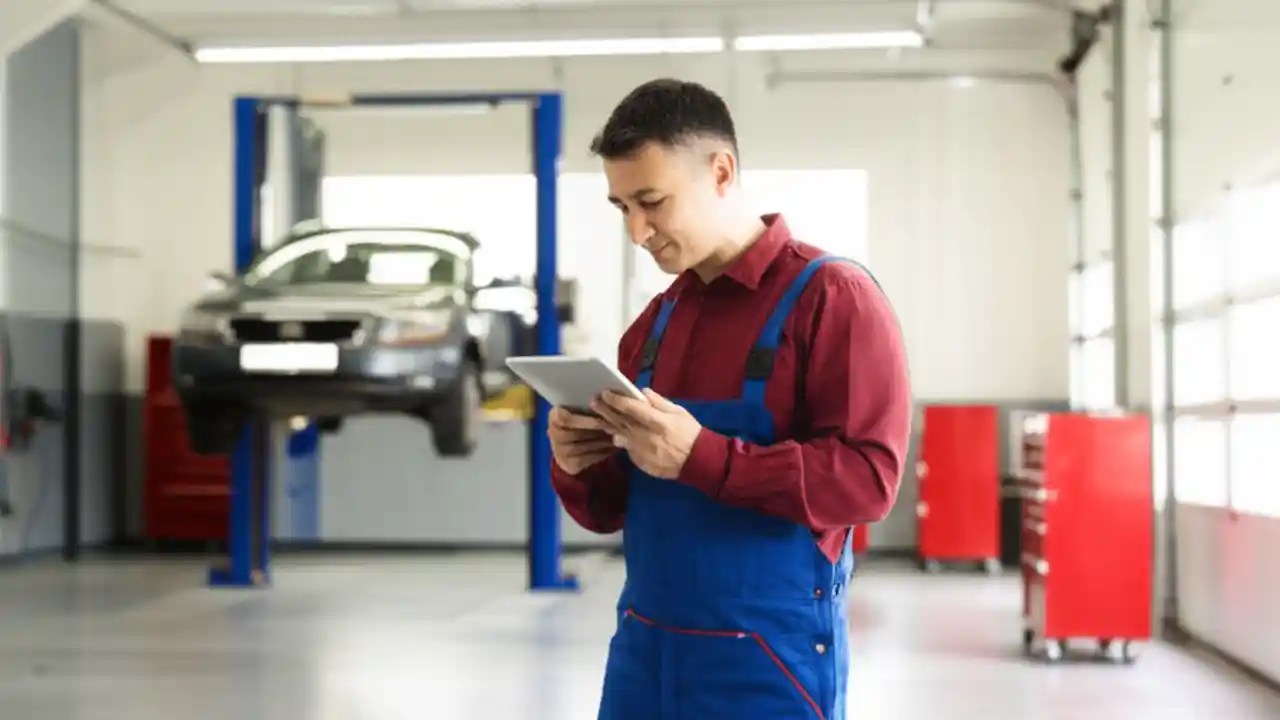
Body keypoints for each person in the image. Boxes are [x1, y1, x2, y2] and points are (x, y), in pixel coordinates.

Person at [548, 78, 912, 720]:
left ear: (721, 172)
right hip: (643, 657)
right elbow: (609, 511)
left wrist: (702, 457)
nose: (637, 231)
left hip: (767, 665)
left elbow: (868, 481)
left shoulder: (833, 299)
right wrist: (577, 465)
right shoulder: (652, 329)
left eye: (651, 202)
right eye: (621, 207)